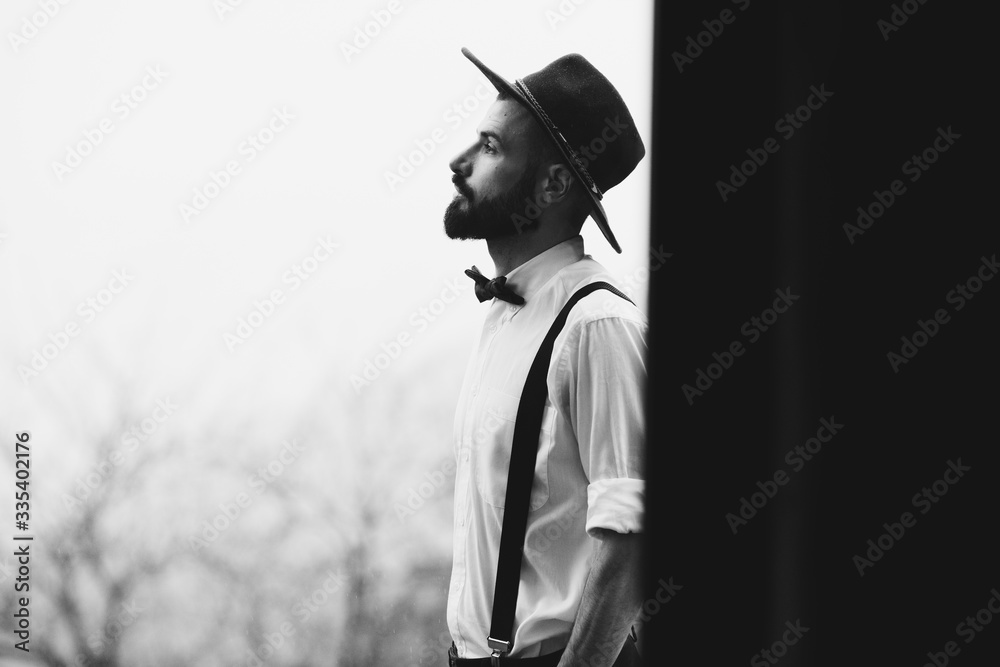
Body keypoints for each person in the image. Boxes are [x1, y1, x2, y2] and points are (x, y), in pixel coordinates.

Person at [442, 47, 648, 667]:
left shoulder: (596, 324)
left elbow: (633, 533)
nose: (459, 164)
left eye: (490, 148)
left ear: (554, 183)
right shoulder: (505, 316)